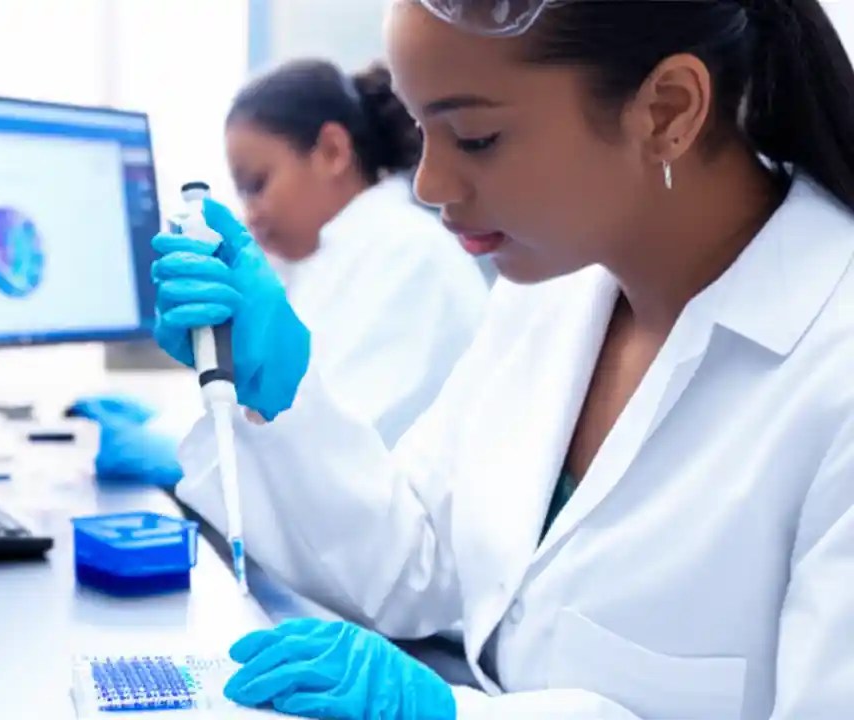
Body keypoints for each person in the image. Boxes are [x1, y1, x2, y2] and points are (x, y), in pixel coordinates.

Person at [149, 0, 854, 718]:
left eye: (475, 138)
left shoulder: (835, 364)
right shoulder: (552, 294)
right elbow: (420, 558)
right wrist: (273, 394)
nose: (428, 186)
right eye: (421, 132)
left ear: (667, 110)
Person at [222, 58, 489, 446]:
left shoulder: (409, 255)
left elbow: (335, 450)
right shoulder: (325, 262)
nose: (250, 215)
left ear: (333, 152)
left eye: (257, 184)